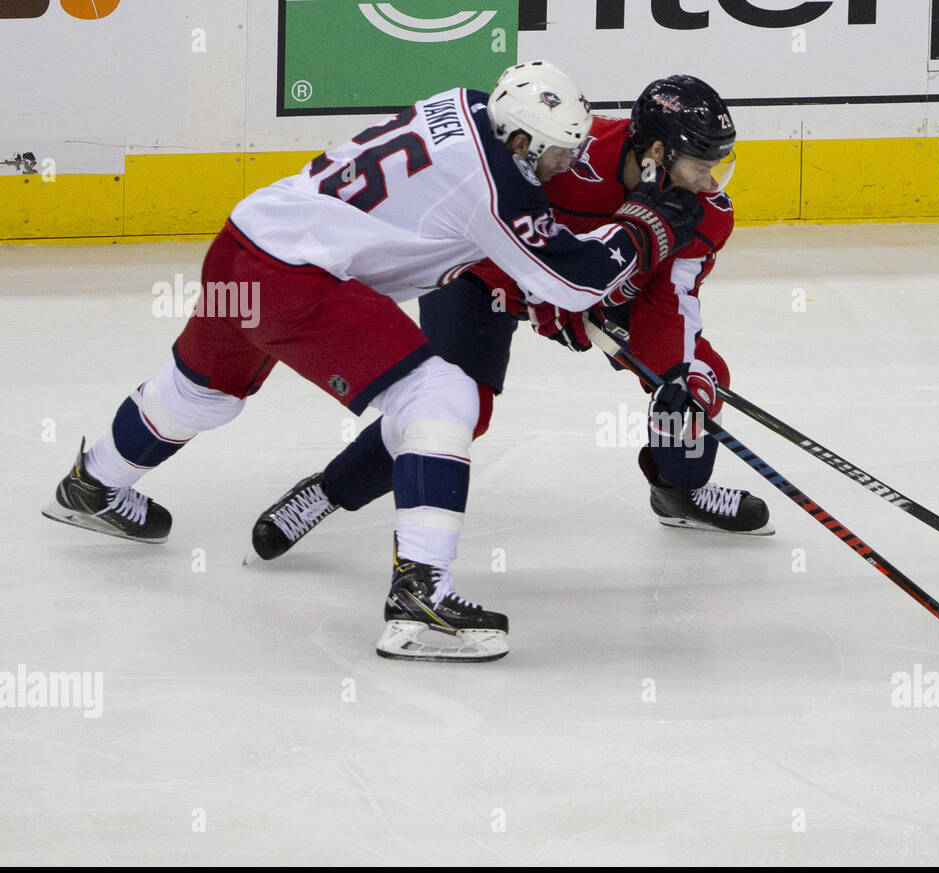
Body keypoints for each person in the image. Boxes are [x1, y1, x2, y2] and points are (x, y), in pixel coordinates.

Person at [41, 61, 704, 663]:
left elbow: (493, 238)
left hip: (247, 237)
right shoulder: (499, 183)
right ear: (523, 141)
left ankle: (92, 483)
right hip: (298, 279)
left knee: (201, 393)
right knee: (444, 399)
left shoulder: (469, 104)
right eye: (559, 151)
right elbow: (572, 281)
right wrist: (650, 224)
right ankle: (420, 602)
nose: (567, 164)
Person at [249, 75, 771, 589]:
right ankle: (327, 492)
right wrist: (542, 296)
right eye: (702, 166)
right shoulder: (568, 156)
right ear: (658, 150)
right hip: (479, 275)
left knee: (696, 383)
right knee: (456, 409)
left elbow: (670, 301)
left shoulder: (707, 214)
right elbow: (483, 227)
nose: (710, 182)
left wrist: (676, 379)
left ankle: (679, 491)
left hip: (595, 282)